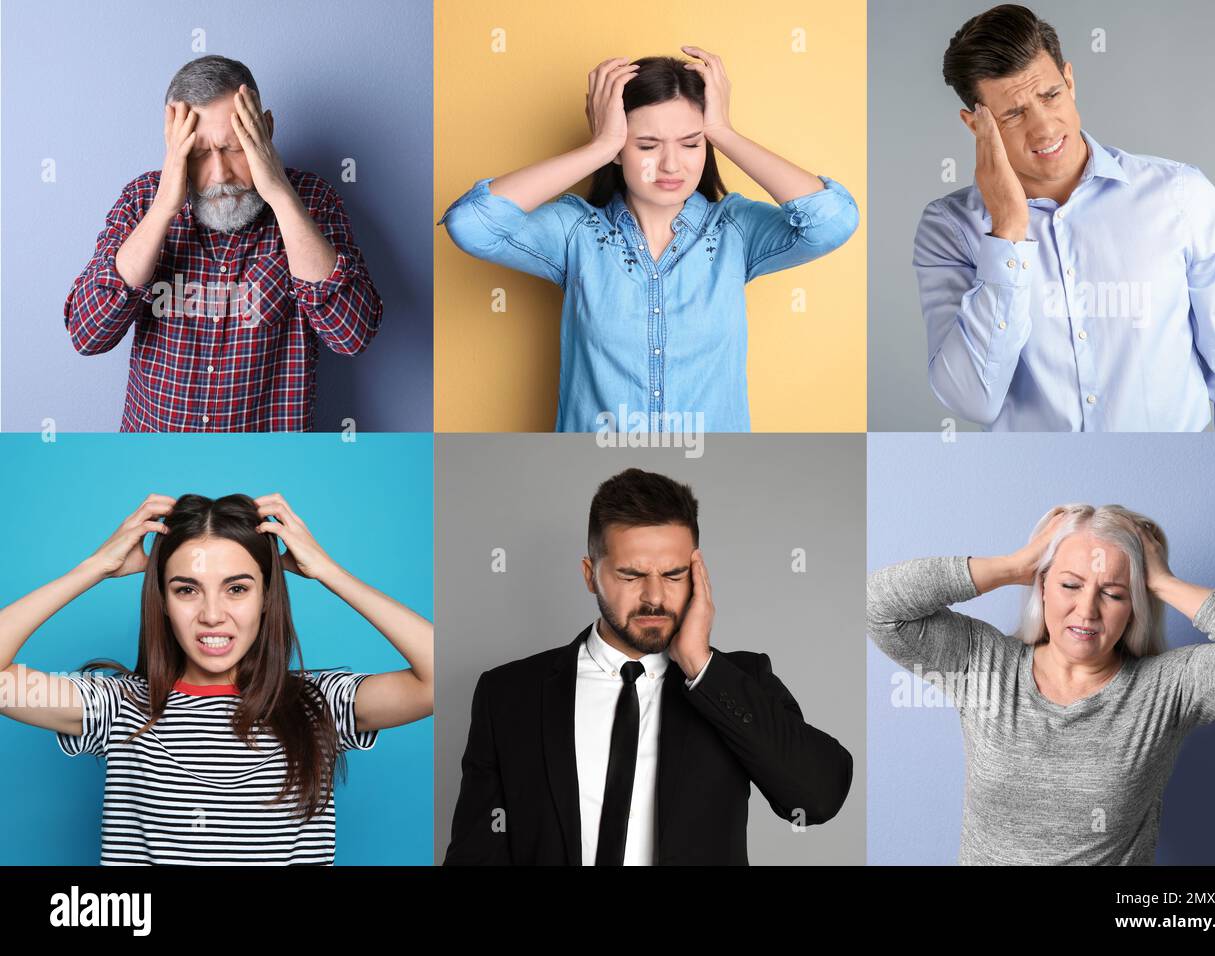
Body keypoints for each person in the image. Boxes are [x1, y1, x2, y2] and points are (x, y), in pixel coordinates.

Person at [437, 47, 859, 433]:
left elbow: (833, 221)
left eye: (692, 143)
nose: (671, 164)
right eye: (647, 145)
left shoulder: (735, 230)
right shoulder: (576, 233)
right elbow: (471, 225)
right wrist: (599, 145)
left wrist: (723, 131)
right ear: (620, 149)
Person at [444, 468, 852, 864]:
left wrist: (700, 665)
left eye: (674, 575)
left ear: (697, 575)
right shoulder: (509, 694)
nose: (654, 597)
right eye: (631, 575)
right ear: (590, 575)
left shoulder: (738, 680)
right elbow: (476, 852)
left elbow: (818, 797)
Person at [0, 493, 434, 865]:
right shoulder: (118, 706)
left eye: (237, 588)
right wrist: (93, 567)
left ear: (267, 597)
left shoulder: (318, 702)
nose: (211, 615)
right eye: (186, 589)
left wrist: (329, 572)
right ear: (164, 601)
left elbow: (437, 678)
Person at [866, 503, 1215, 864]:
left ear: (1135, 604)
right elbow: (878, 605)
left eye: (1113, 593)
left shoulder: (1169, 688)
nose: (1087, 610)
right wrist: (1013, 565)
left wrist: (1162, 582)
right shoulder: (981, 662)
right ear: (1042, 584)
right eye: (1070, 584)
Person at [913, 4, 1215, 431]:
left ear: (1069, 81)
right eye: (1013, 114)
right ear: (976, 126)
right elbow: (972, 399)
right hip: (1034, 478)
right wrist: (1008, 232)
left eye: (1050, 95)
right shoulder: (949, 229)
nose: (1045, 128)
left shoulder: (1181, 196)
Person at [64, 55, 384, 432]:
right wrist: (164, 209)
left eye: (235, 148)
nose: (220, 174)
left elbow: (352, 335)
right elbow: (88, 334)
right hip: (157, 461)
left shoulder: (313, 201)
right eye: (199, 154)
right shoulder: (141, 199)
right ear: (173, 144)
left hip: (266, 470)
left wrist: (281, 195)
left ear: (265, 130)